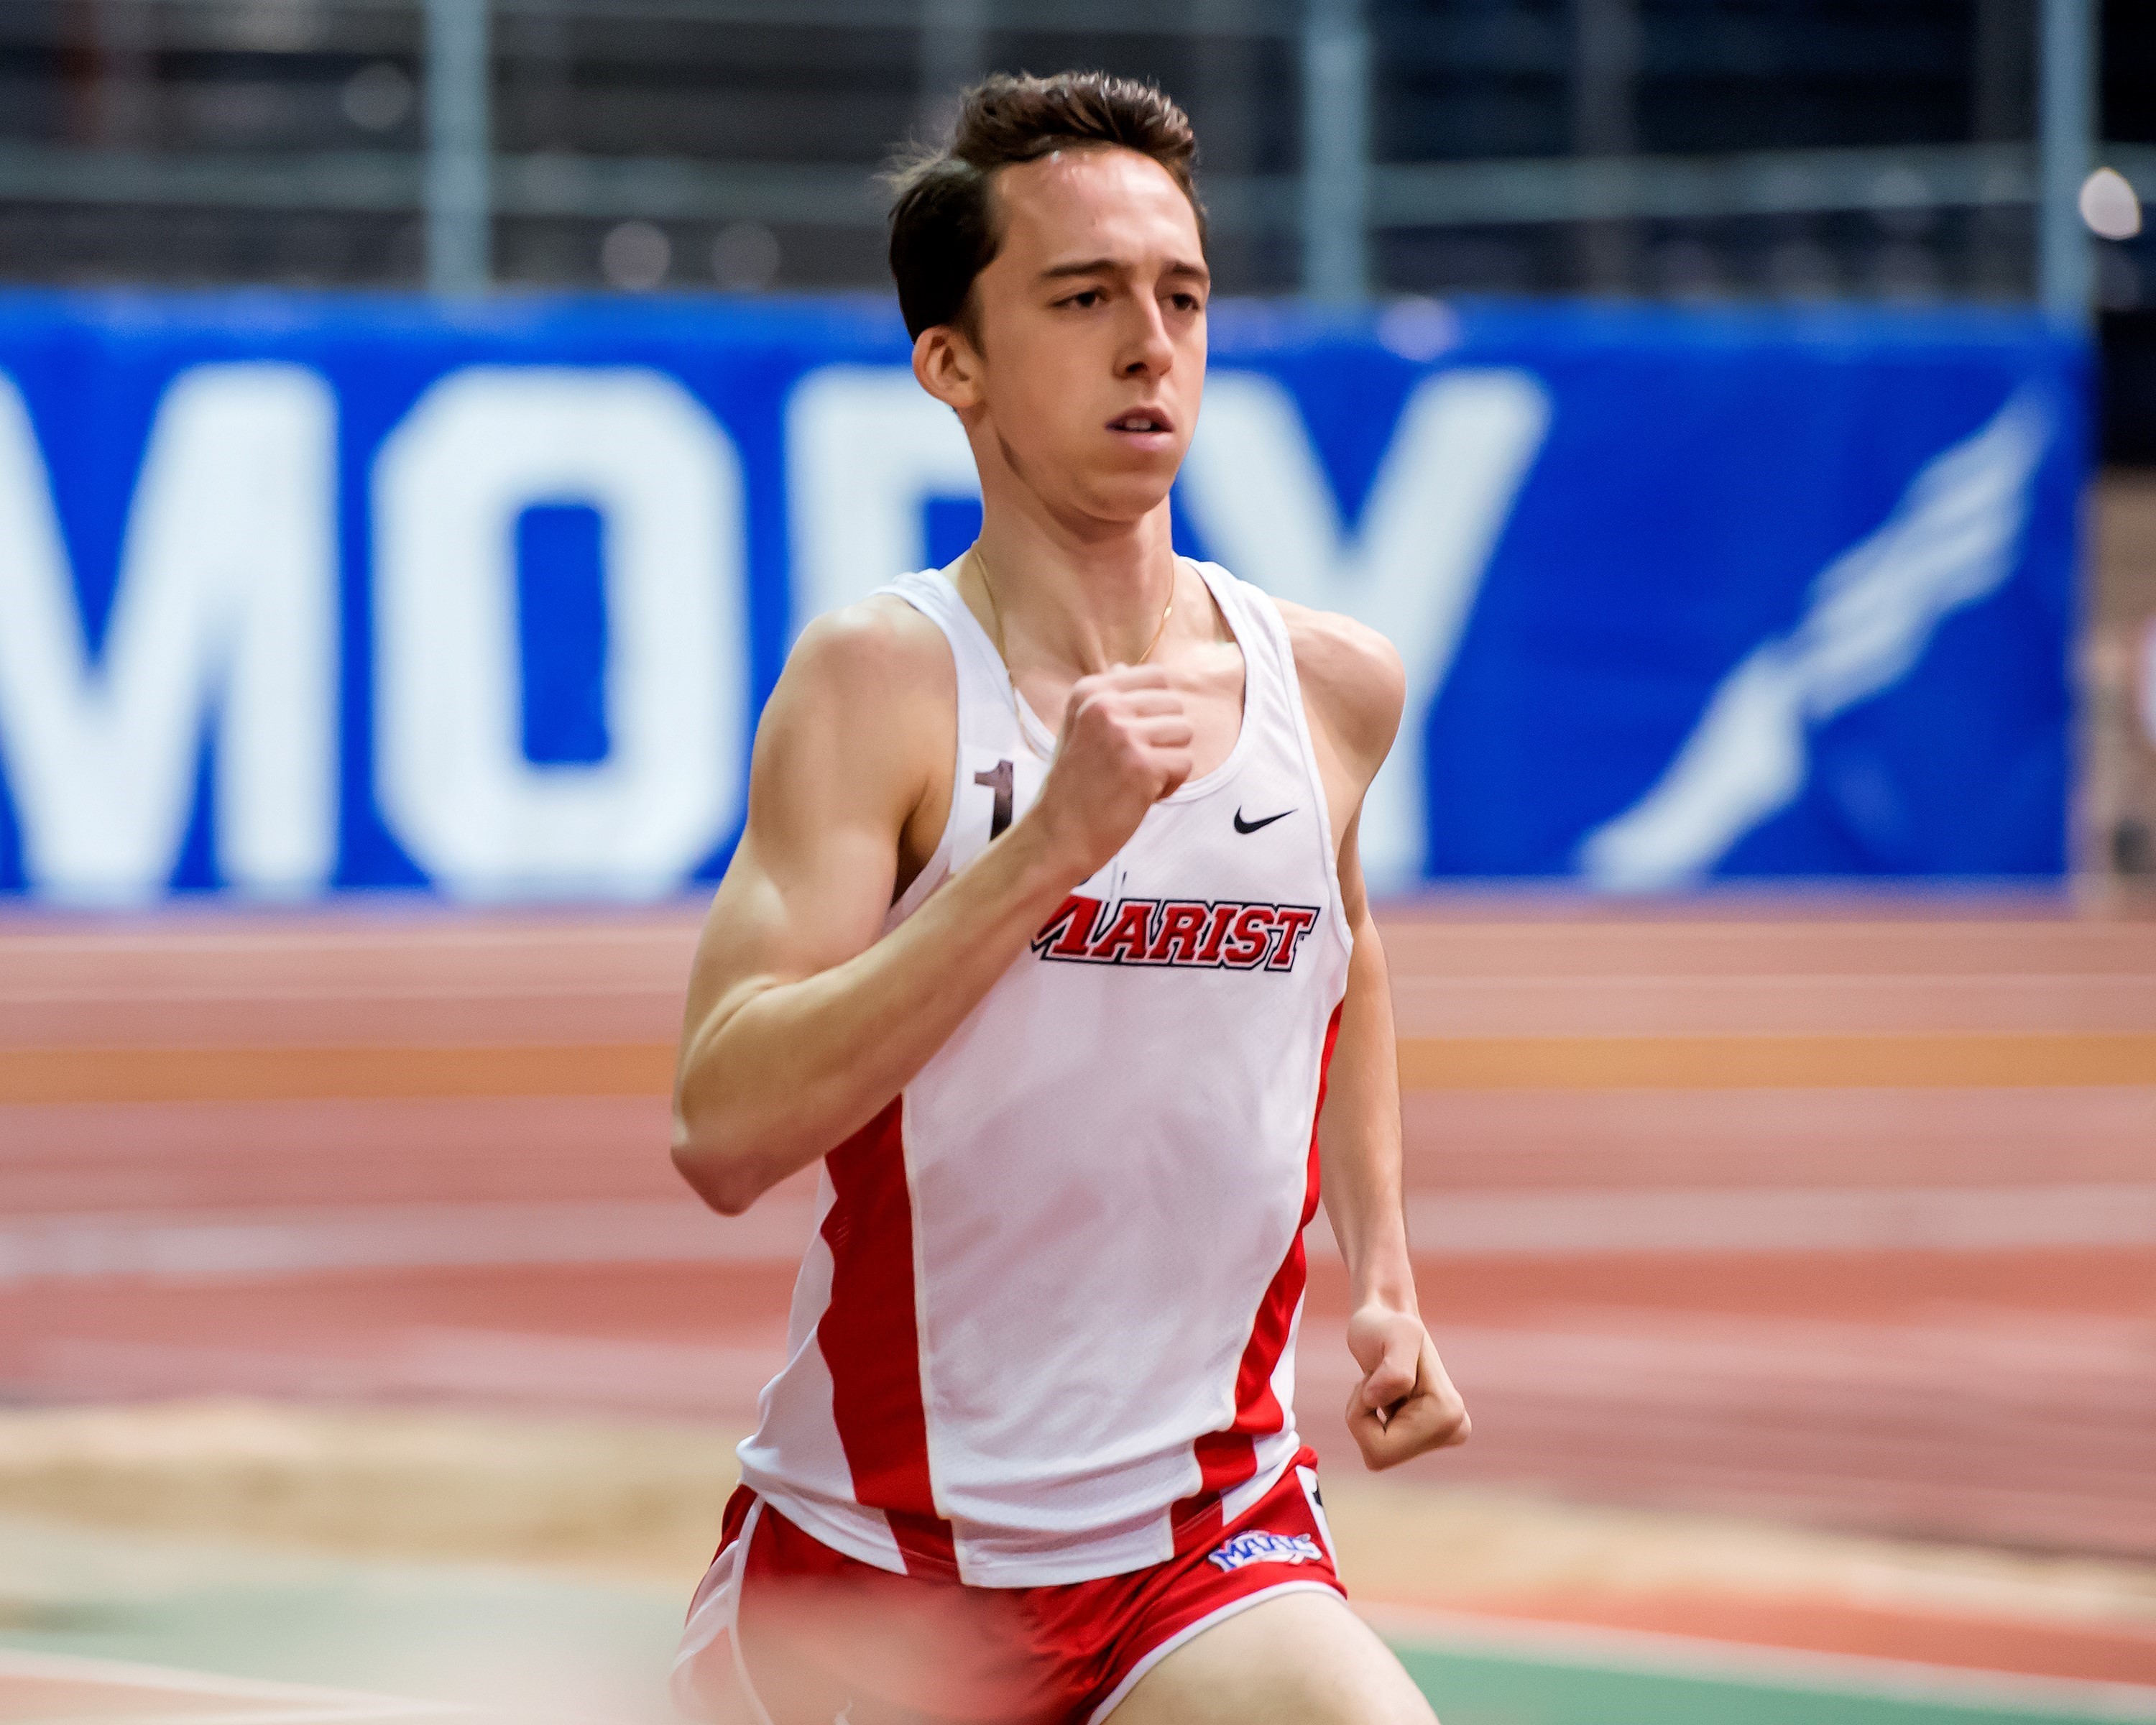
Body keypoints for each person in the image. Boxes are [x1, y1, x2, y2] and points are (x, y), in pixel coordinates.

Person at [668, 70, 1469, 1725]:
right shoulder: (879, 685)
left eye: (1180, 295)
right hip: (885, 1568)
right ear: (951, 363)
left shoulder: (1328, 686)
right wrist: (1046, 853)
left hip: (1210, 1540)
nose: (1149, 341)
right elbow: (723, 1127)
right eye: (1084, 296)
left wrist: (1382, 1273)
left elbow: (1346, 955)